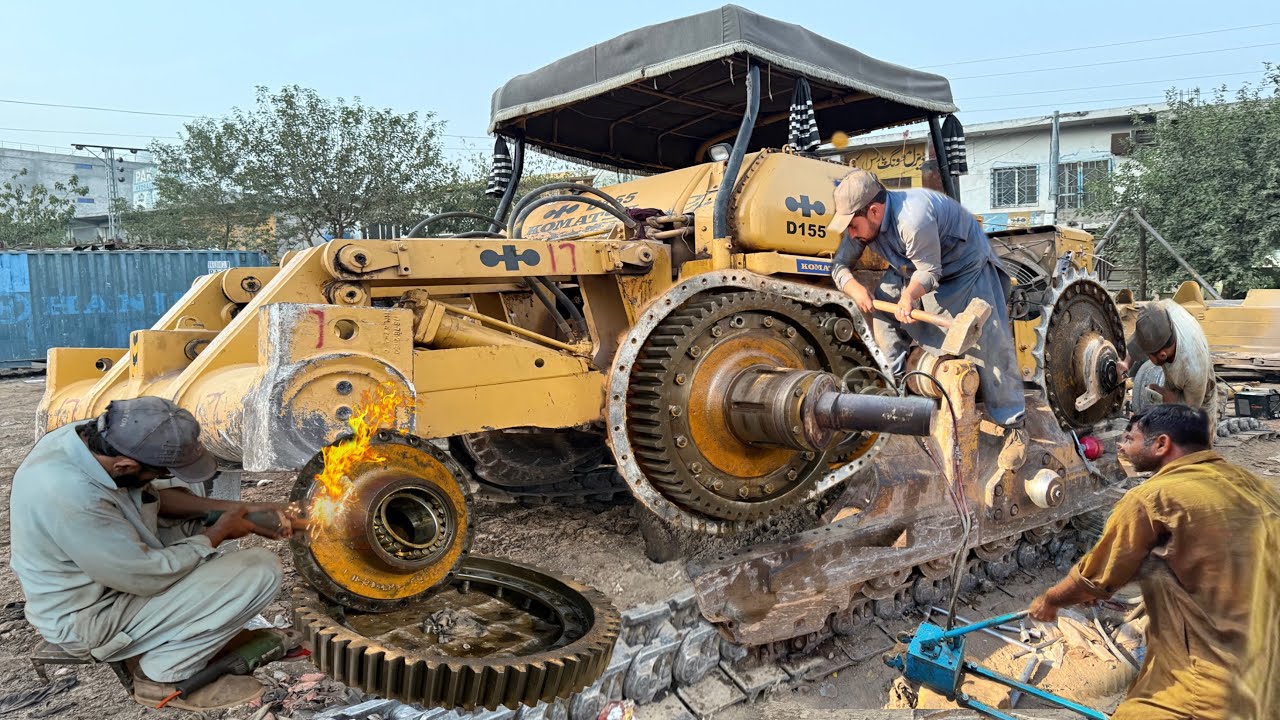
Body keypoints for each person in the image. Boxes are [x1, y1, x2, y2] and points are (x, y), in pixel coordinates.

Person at [9, 396, 297, 711]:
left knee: (200, 547)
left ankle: (169, 641)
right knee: (259, 569)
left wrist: (236, 511)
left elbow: (153, 497)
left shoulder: (86, 441)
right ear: (125, 466)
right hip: (89, 616)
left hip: (108, 576)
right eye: (157, 472)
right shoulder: (70, 494)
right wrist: (217, 533)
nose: (159, 479)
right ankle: (161, 677)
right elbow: (145, 576)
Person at [1029, 404, 1279, 720]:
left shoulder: (1152, 498)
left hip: (1211, 691)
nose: (1120, 447)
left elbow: (1094, 578)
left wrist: (1051, 601)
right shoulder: (1250, 485)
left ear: (1161, 444)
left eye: (1129, 439)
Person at [827, 168, 1027, 467]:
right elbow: (839, 264)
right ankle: (896, 396)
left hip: (964, 267)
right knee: (885, 313)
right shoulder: (864, 224)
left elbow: (930, 273)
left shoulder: (913, 218)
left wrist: (908, 297)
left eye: (853, 226)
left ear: (874, 210)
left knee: (990, 343)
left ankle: (1013, 425)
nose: (851, 234)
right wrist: (854, 288)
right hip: (911, 268)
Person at [1120, 300, 1221, 423]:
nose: (1145, 356)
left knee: (1196, 432)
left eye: (1148, 355)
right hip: (1178, 371)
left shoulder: (1193, 370)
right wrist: (1126, 363)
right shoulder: (1158, 317)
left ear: (1162, 355)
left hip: (1199, 397)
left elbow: (1189, 413)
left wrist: (1168, 397)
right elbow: (1141, 341)